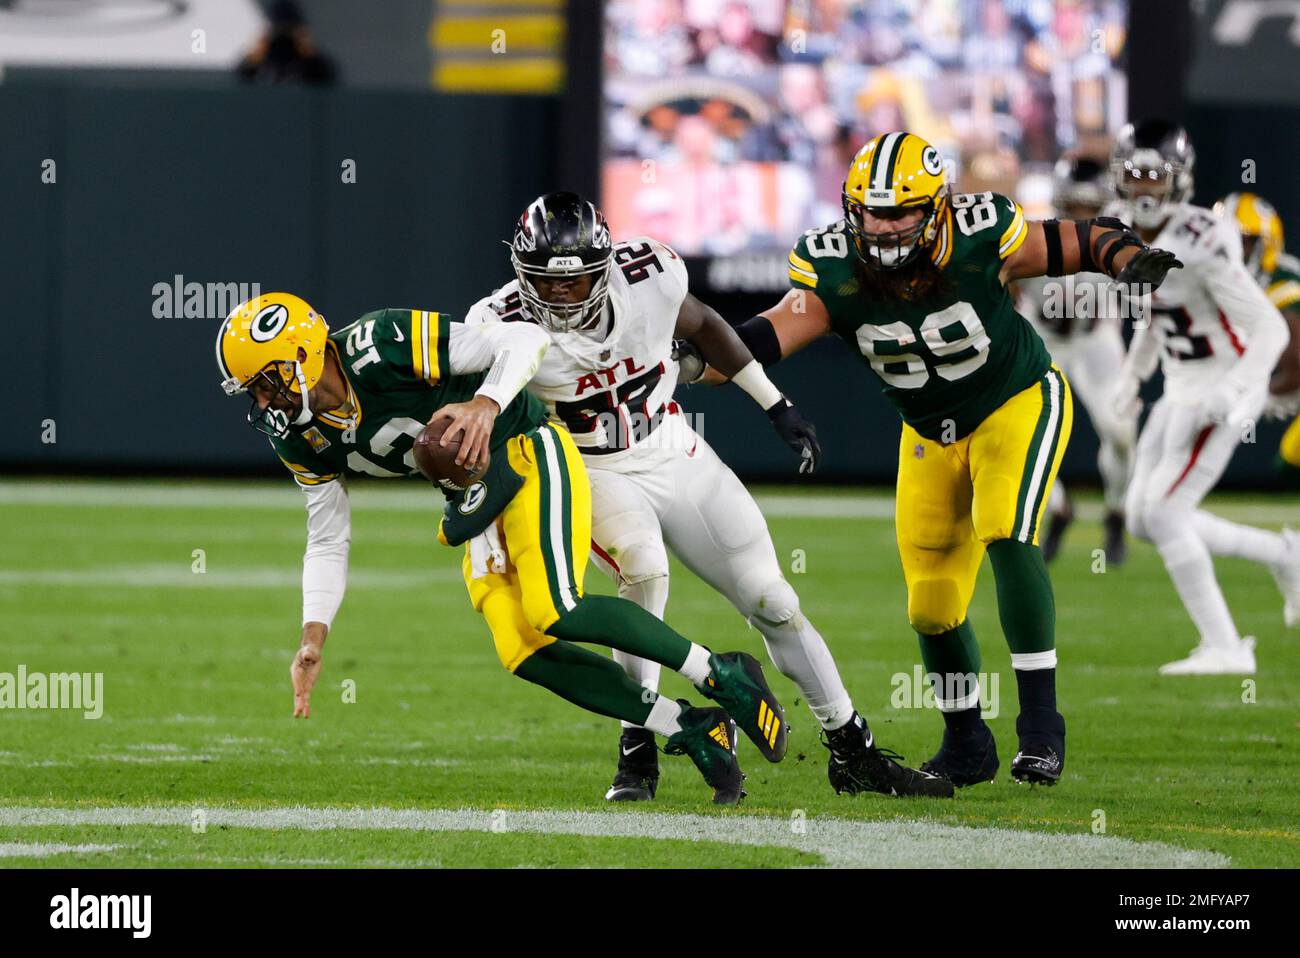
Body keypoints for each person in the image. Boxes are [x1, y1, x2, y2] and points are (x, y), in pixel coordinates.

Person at [464, 191, 953, 801]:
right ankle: (638, 746)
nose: (561, 295)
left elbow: (703, 325)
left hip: (669, 442)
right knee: (643, 567)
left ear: (605, 267)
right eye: (547, 281)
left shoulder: (649, 276)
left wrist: (776, 404)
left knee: (773, 598)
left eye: (575, 280)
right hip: (586, 466)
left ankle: (853, 750)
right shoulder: (496, 322)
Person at [728, 130, 1181, 785]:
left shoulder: (978, 234)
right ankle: (967, 742)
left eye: (900, 211)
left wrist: (1124, 256)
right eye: (871, 212)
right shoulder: (832, 267)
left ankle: (1041, 730)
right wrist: (692, 356)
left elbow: (1078, 240)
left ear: (937, 207)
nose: (883, 226)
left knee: (1006, 529)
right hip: (928, 431)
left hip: (1015, 399)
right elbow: (765, 337)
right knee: (931, 606)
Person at [213, 292, 790, 803]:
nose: (263, 403)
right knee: (521, 648)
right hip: (474, 492)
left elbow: (524, 338)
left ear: (303, 356)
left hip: (524, 447)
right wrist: (313, 636)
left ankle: (719, 671)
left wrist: (486, 403)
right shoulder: (300, 435)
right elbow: (327, 536)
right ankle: (688, 725)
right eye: (253, 392)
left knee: (556, 607)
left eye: (265, 384)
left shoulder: (380, 344)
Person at [1107, 123, 1297, 675]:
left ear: (1179, 180)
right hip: (1179, 385)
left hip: (1220, 383)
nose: (1144, 187)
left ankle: (1227, 648)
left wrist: (1235, 393)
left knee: (1165, 513)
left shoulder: (1204, 237)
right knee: (1142, 519)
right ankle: (1284, 554)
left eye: (1155, 175)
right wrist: (1132, 377)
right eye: (1135, 173)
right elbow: (1155, 313)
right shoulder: (1120, 231)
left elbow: (1271, 330)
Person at [1017, 156, 1136, 563]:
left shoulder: (1120, 239)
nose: (1084, 216)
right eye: (1076, 206)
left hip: (1095, 339)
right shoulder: (1031, 235)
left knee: (1121, 432)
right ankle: (1059, 507)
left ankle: (1116, 512)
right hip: (1042, 339)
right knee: (1021, 433)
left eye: (1091, 207)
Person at [1213, 192, 1300, 489]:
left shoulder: (1284, 284)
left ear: (1266, 244)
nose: (1232, 249)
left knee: (1289, 466)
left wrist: (1256, 399)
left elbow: (1296, 370)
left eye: (1244, 240)